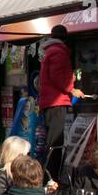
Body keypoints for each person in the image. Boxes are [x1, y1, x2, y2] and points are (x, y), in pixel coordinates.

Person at [38, 26, 90, 173]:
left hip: (51, 103)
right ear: (65, 38)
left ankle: (49, 174)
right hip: (57, 103)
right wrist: (72, 89)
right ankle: (50, 177)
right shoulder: (59, 52)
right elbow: (58, 77)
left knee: (53, 141)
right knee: (55, 142)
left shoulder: (51, 51)